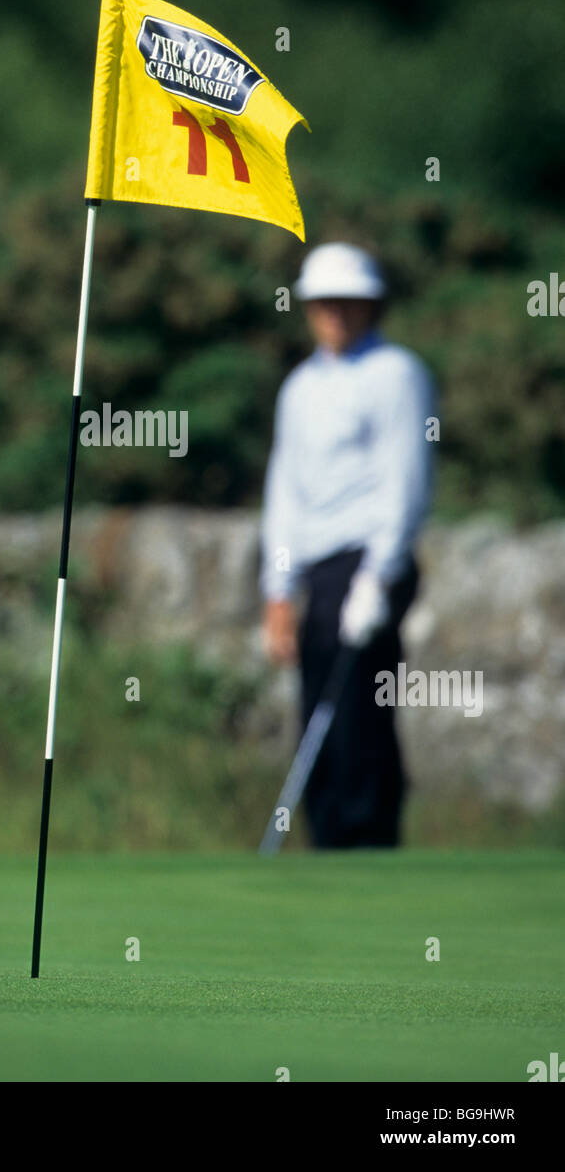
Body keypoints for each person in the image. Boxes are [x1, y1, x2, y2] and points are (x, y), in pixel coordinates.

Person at [260, 242, 436, 848]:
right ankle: (328, 839)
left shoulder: (397, 374)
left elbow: (406, 481)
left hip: (370, 564)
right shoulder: (299, 388)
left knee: (360, 708)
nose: (335, 314)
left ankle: (367, 838)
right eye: (324, 303)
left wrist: (379, 576)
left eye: (349, 303)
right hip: (318, 572)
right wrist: (278, 591)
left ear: (371, 307)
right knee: (318, 706)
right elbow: (285, 493)